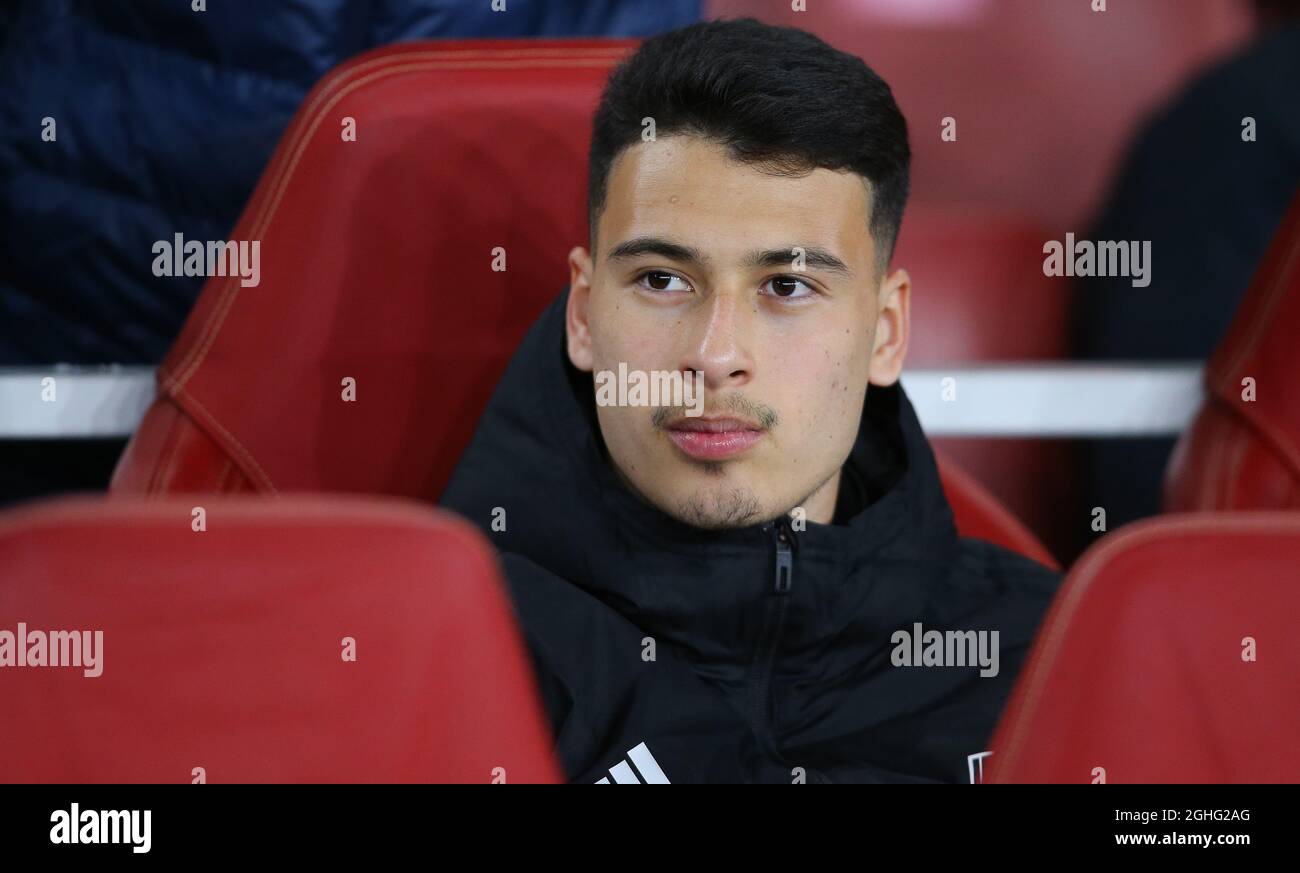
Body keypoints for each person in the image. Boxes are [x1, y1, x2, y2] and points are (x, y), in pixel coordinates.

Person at [442, 18, 1060, 784]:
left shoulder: (1055, 662)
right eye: (663, 279)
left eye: (788, 286)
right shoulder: (433, 652)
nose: (716, 355)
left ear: (886, 332)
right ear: (582, 315)